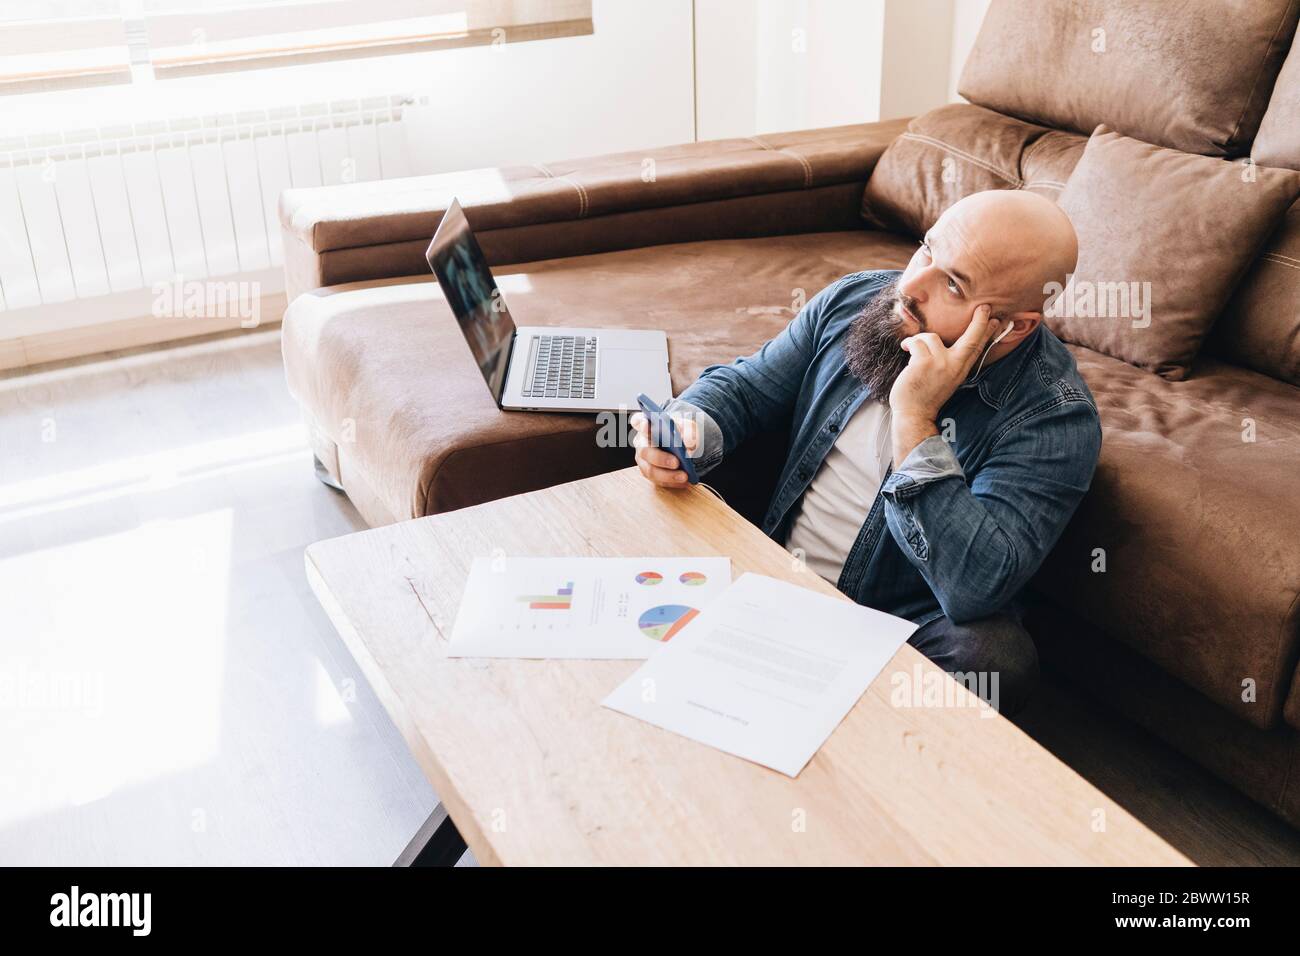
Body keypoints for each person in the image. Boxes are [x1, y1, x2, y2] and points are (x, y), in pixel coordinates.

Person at [631, 189, 1100, 716]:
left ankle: (847, 726)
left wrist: (915, 421)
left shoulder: (1053, 418)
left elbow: (973, 586)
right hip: (778, 575)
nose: (910, 286)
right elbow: (748, 388)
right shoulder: (856, 299)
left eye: (952, 284)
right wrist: (687, 428)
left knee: (995, 660)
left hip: (899, 629)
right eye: (927, 249)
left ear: (1013, 327)